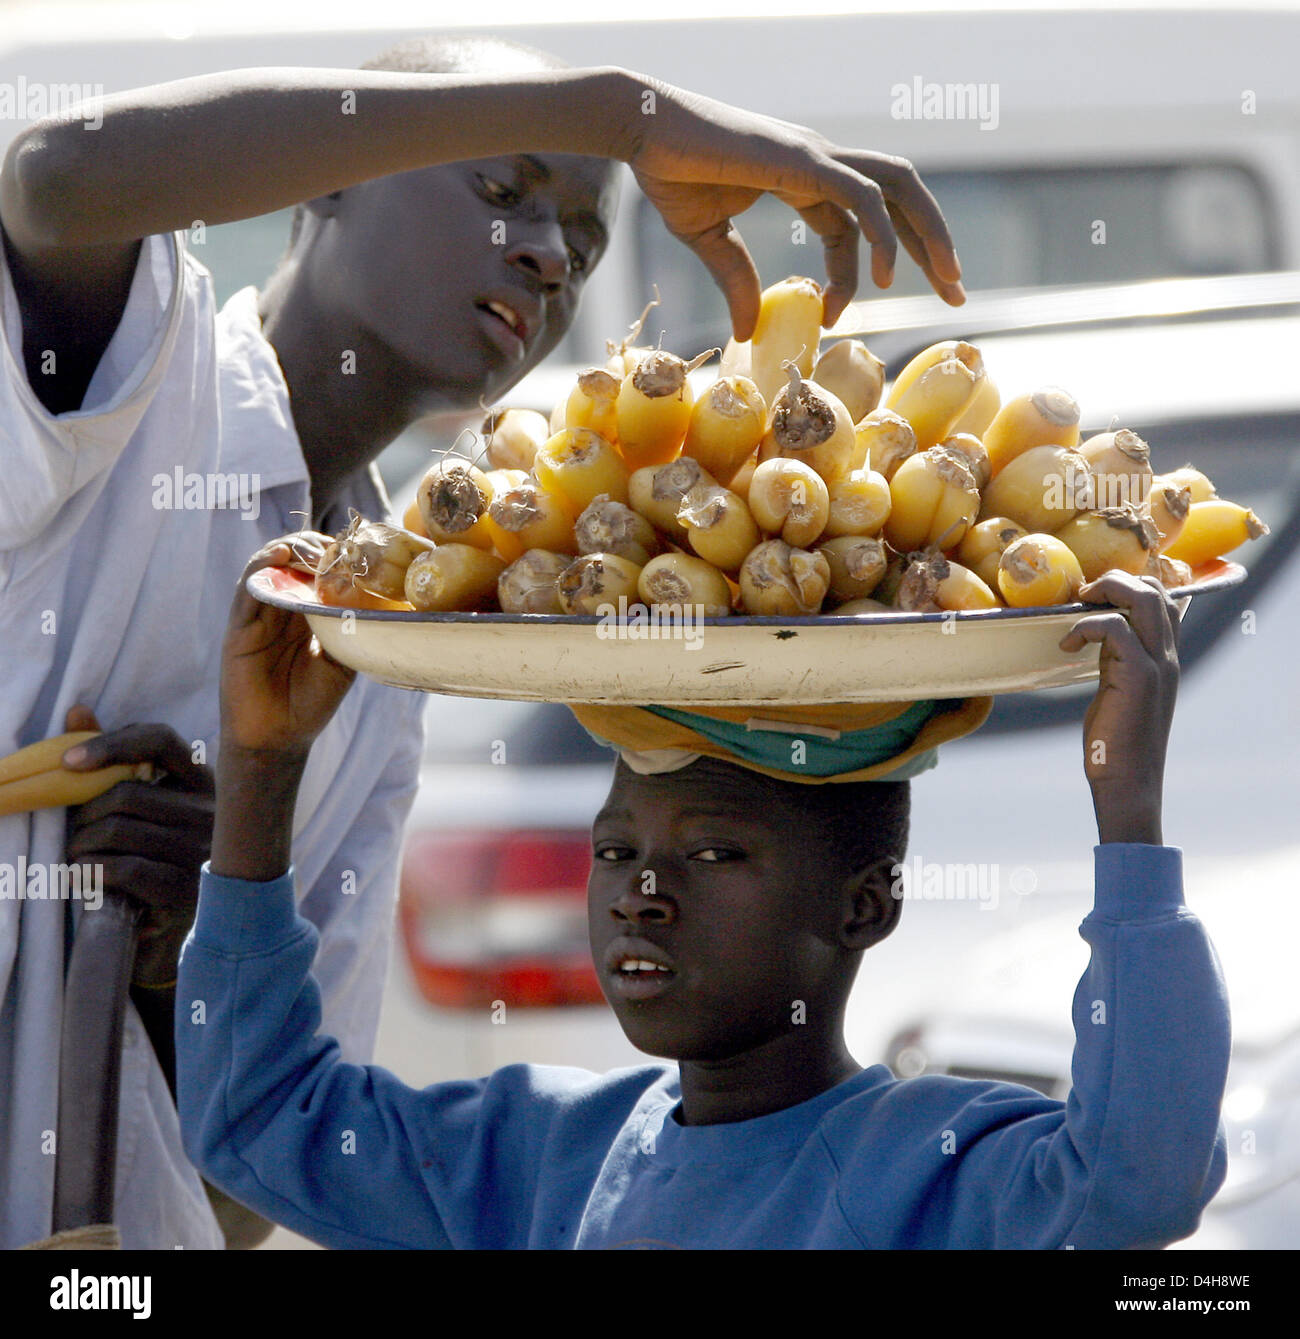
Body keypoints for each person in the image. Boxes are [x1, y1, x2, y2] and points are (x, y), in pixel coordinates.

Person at [0, 35, 963, 1249]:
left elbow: (257, 1190)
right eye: (501, 192)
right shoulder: (134, 382)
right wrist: (622, 114)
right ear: (329, 177)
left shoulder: (390, 643)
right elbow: (48, 176)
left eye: (585, 241)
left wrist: (181, 943)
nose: (550, 257)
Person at [175, 559, 1229, 1249]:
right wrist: (263, 766)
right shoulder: (537, 1158)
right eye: (616, 849)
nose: (642, 894)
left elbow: (1137, 1181)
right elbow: (251, 1118)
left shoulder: (931, 1168)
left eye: (715, 850)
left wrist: (1126, 816)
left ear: (863, 906)